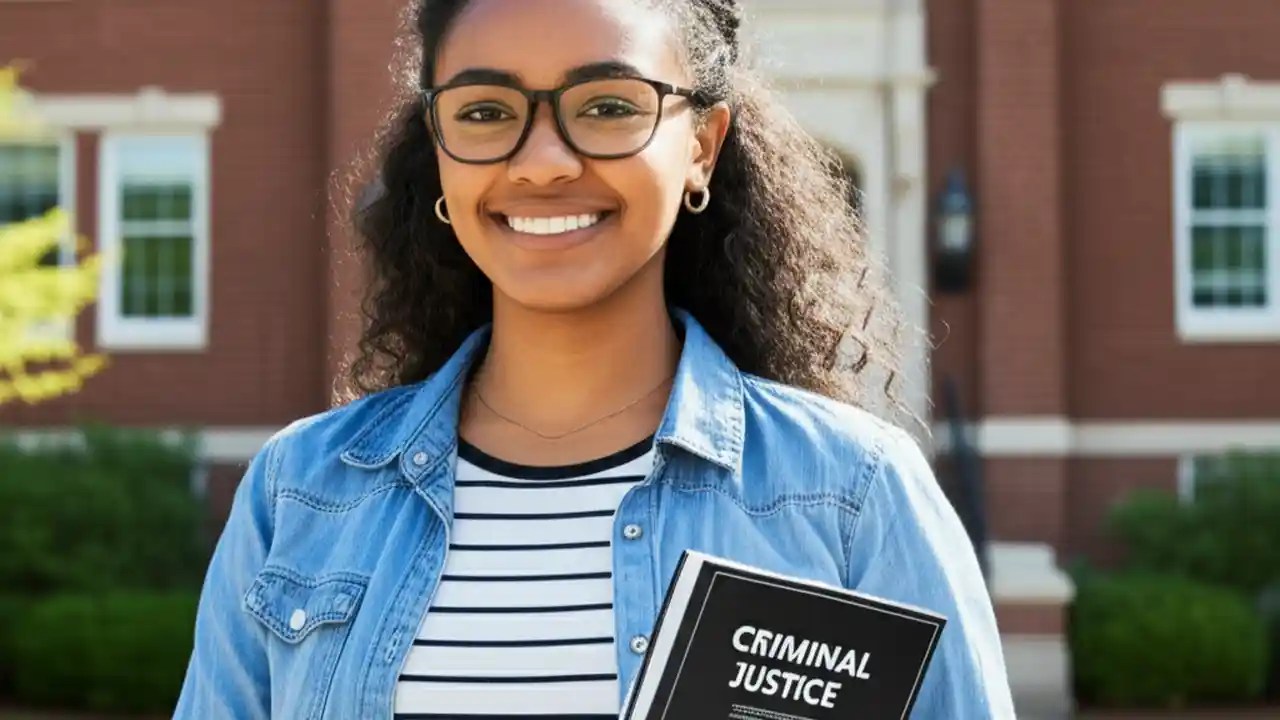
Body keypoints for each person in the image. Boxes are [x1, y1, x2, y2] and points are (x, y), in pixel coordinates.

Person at [174, 0, 1015, 717]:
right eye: (484, 112)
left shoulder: (850, 495)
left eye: (609, 107)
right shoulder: (303, 493)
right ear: (437, 147)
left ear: (702, 147)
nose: (541, 162)